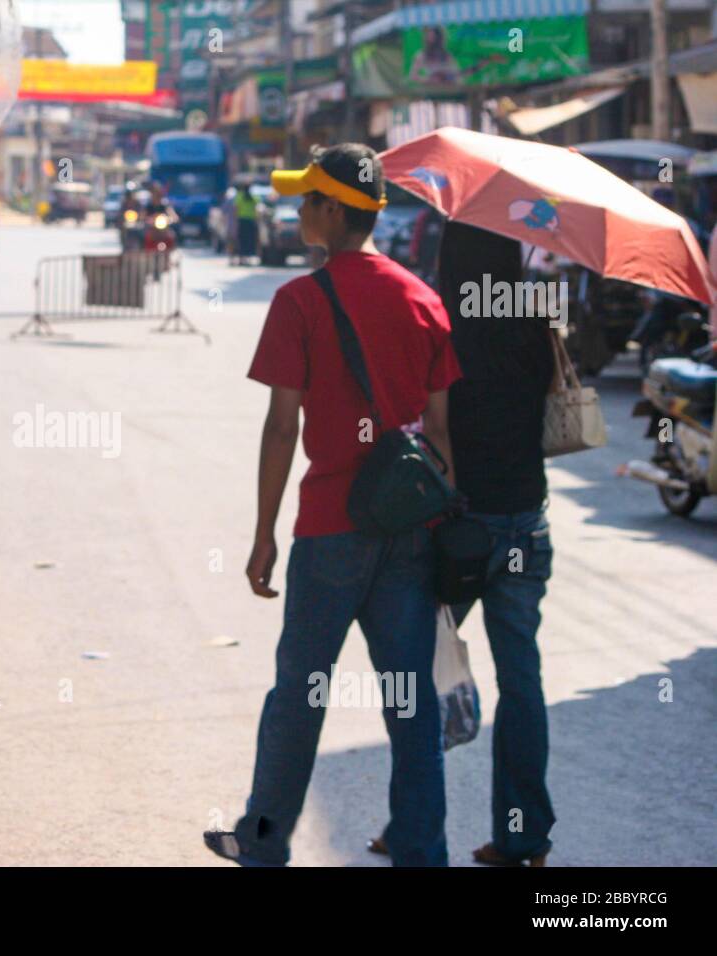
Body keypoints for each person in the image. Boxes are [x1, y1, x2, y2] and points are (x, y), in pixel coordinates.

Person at [203, 143, 460, 867]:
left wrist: (262, 534)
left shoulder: (300, 302)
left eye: (307, 200)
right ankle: (420, 848)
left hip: (329, 530)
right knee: (412, 702)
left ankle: (263, 843)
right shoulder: (423, 298)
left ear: (330, 211)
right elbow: (439, 433)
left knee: (299, 696)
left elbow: (283, 425)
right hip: (409, 530)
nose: (297, 211)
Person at [376, 219, 556, 866]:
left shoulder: (440, 319)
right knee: (523, 680)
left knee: (416, 675)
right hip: (525, 521)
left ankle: (412, 831)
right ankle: (525, 836)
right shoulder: (535, 319)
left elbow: (419, 415)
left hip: (458, 529)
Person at [233, 183, 259, 266]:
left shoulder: (239, 196)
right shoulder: (253, 197)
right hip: (251, 221)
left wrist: (235, 221)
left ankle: (241, 259)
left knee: (241, 240)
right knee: (249, 240)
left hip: (242, 221)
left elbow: (236, 209)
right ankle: (248, 259)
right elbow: (256, 208)